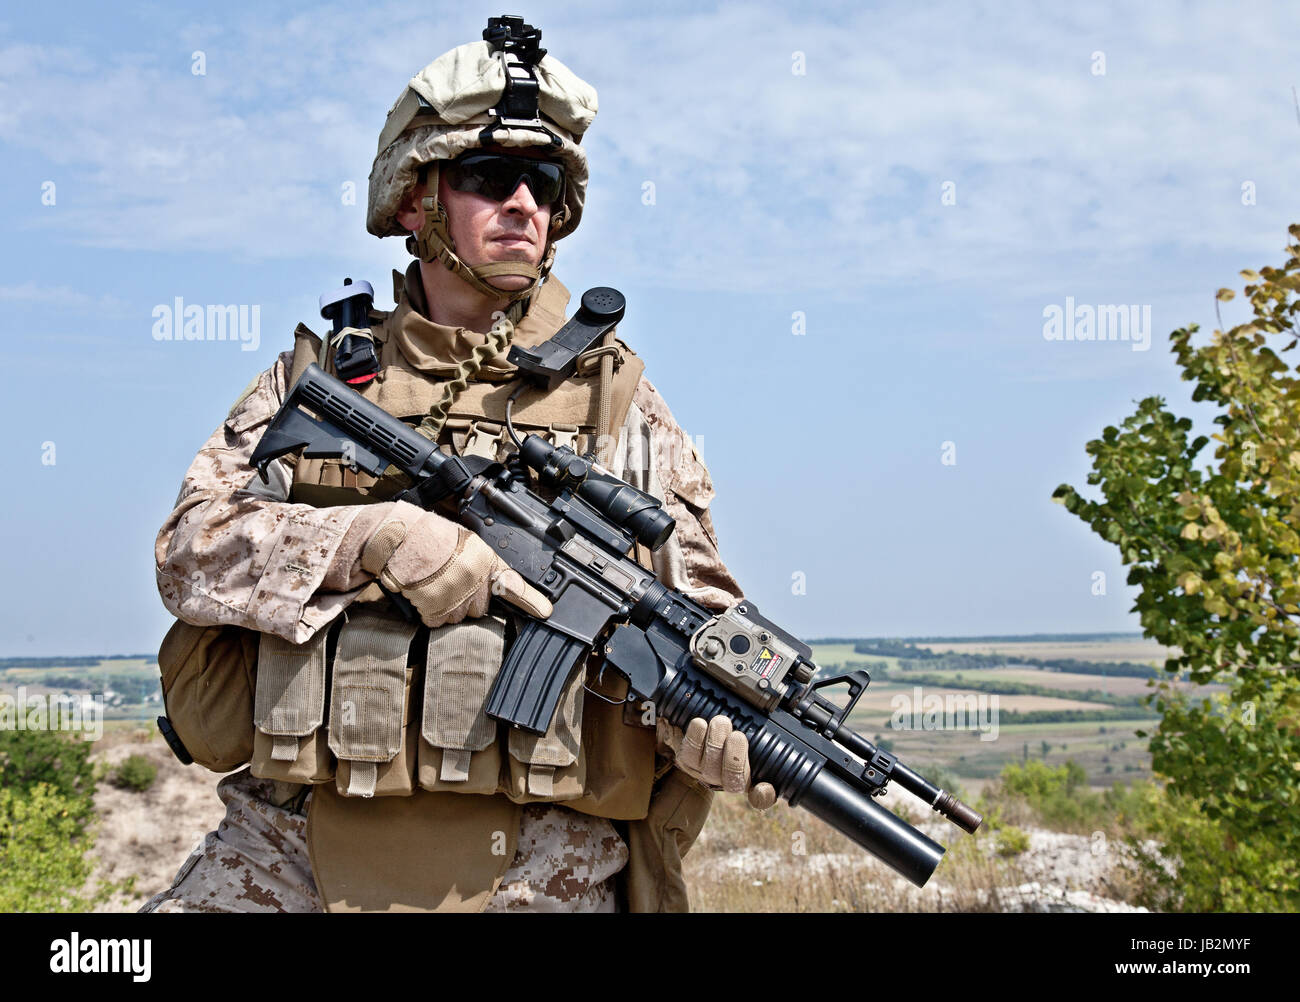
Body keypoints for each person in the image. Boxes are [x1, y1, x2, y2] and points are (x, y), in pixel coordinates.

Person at [144, 17, 773, 914]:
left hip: (540, 860)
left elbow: (698, 608)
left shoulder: (617, 402)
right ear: (415, 202)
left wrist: (723, 725)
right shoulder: (316, 380)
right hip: (295, 839)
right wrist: (369, 538)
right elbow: (188, 554)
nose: (523, 201)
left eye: (543, 182)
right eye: (489, 177)